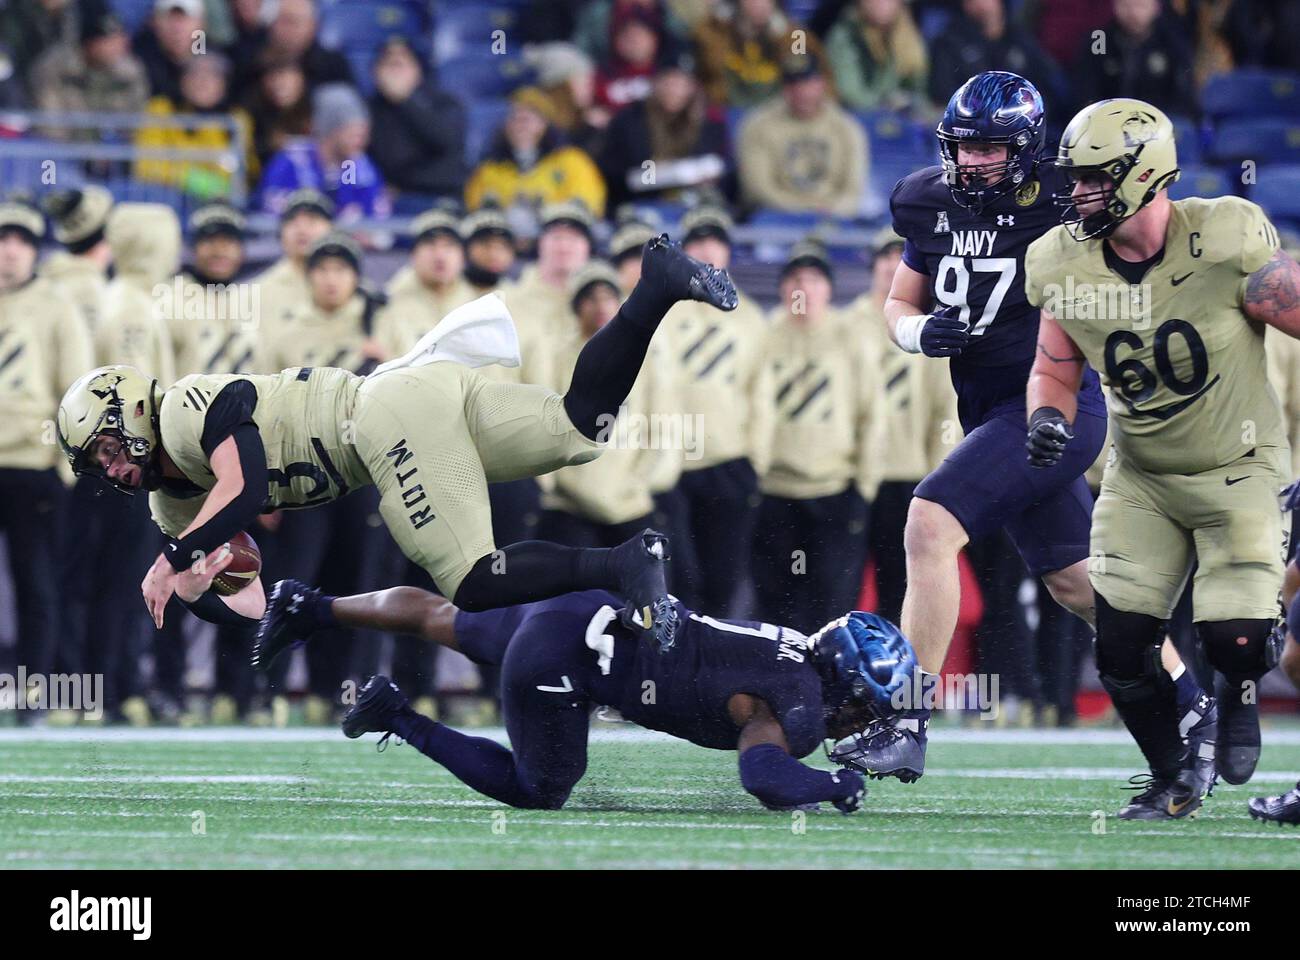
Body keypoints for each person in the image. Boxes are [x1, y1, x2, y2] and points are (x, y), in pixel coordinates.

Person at [55, 236, 739, 660]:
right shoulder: (169, 507)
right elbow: (251, 598)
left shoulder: (181, 410)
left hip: (378, 423)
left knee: (472, 580)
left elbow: (248, 485)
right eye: (97, 463)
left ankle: (621, 563)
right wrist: (200, 587)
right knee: (580, 427)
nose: (112, 466)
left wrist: (178, 556)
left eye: (109, 445)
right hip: (414, 398)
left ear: (134, 407)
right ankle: (654, 289)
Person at [1023, 98, 1297, 816]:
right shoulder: (1061, 261)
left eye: (1093, 177)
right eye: (1074, 177)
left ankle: (1238, 688)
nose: (1077, 192)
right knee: (1119, 646)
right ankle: (1175, 772)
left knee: (1234, 639)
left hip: (1238, 463)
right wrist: (1047, 415)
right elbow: (1054, 367)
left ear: (1144, 173)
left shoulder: (1224, 237)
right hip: (1142, 477)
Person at [850, 72, 1110, 782]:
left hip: (1052, 408)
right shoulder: (926, 202)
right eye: (964, 147)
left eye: (992, 148)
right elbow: (901, 301)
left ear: (1026, 149)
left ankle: (904, 720)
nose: (973, 161)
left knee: (929, 524)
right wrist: (917, 335)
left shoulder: (1068, 199)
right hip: (989, 409)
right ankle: (1188, 701)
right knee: (1076, 582)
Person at [264, 583, 913, 814]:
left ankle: (311, 605)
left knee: (442, 617)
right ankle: (395, 716)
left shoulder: (796, 651)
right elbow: (762, 775)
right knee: (538, 791)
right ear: (845, 680)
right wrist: (830, 787)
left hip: (582, 608)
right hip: (563, 660)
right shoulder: (798, 698)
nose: (869, 720)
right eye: (870, 704)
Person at [751, 239, 884, 631]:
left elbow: (871, 416)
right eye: (794, 279)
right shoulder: (764, 333)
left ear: (828, 288)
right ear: (781, 288)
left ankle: (828, 690)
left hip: (834, 491)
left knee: (832, 605)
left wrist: (865, 487)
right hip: (774, 491)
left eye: (812, 280)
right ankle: (778, 688)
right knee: (775, 604)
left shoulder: (850, 337)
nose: (803, 289)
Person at [0, 199, 95, 723]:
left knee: (38, 583)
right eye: (3, 238)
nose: (10, 251)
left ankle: (34, 693)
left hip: (33, 466)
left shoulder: (57, 305)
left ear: (35, 251)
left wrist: (63, 466)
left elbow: (76, 391)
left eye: (21, 241)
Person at [658, 204, 771, 615]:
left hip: (728, 462)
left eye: (716, 241)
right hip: (672, 466)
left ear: (728, 251)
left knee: (724, 580)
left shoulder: (751, 318)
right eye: (698, 241)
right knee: (681, 581)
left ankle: (714, 675)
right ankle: (678, 675)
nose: (708, 250)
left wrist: (754, 460)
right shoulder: (662, 308)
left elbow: (762, 395)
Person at [849, 228, 957, 625]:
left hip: (908, 472)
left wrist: (936, 471)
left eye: (900, 258)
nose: (891, 266)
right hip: (852, 475)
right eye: (884, 258)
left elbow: (942, 406)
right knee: (843, 584)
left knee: (900, 584)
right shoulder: (848, 322)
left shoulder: (929, 325)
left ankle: (896, 677)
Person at [736, 48, 869, 218]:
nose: (801, 92)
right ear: (783, 88)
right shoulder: (757, 125)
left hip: (832, 217)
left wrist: (832, 211)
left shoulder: (847, 127)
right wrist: (803, 211)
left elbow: (853, 190)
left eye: (808, 82)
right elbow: (757, 189)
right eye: (793, 84)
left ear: (822, 83)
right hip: (775, 218)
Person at [258, 83, 390, 221]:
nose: (361, 142)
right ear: (331, 131)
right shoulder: (293, 160)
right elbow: (273, 213)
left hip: (345, 241)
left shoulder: (354, 164)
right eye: (353, 134)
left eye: (363, 135)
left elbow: (377, 215)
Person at [367, 36, 467, 204]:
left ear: (418, 70)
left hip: (438, 197)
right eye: (388, 64)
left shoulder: (445, 103)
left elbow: (448, 142)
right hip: (385, 200)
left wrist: (404, 100)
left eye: (400, 65)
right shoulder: (368, 108)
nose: (394, 72)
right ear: (375, 72)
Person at [824, 0, 929, 113]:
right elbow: (851, 95)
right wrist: (889, 103)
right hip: (856, 116)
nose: (880, 3)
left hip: (900, 117)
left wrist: (911, 103)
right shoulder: (846, 35)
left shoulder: (908, 36)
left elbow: (919, 90)